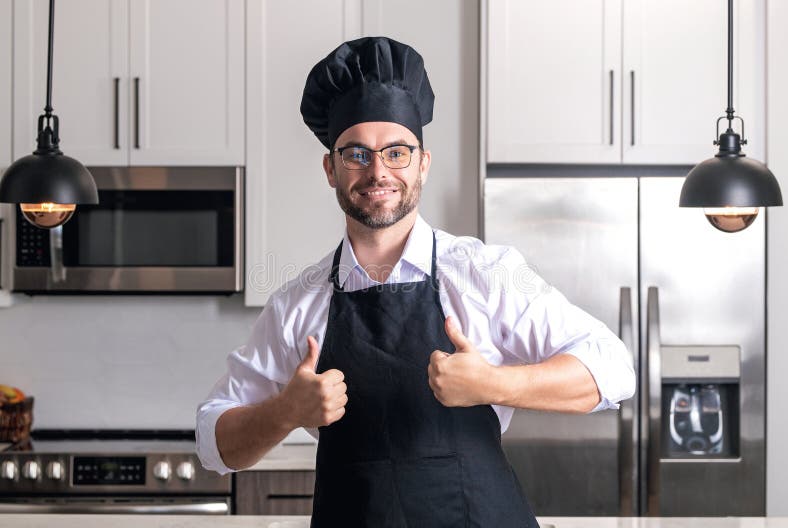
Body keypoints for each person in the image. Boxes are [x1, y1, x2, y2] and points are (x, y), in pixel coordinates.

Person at [196, 36, 635, 527]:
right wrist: (284, 412)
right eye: (356, 154)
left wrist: (497, 383)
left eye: (397, 152)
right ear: (330, 168)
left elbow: (614, 366)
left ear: (422, 163)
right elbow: (214, 441)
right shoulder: (297, 303)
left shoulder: (489, 272)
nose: (378, 171)